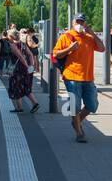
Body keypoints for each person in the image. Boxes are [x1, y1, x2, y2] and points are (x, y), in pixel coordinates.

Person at [52, 13, 105, 142]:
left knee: (92, 105)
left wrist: (93, 34)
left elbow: (102, 48)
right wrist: (69, 49)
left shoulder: (89, 37)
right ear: (72, 23)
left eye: (82, 22)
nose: (79, 25)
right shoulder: (66, 37)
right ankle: (79, 133)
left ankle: (76, 121)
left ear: (85, 24)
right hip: (71, 77)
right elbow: (56, 54)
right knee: (74, 106)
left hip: (88, 77)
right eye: (77, 22)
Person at [7, 29, 40, 113]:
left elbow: (21, 57)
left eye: (8, 35)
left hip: (18, 70)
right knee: (26, 86)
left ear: (11, 36)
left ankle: (19, 107)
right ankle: (35, 103)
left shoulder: (13, 45)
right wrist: (31, 66)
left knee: (16, 86)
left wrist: (26, 66)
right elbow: (30, 54)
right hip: (25, 69)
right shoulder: (23, 44)